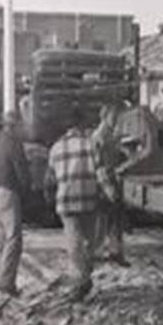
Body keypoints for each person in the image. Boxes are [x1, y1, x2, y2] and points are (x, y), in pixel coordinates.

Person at [45, 109, 101, 300]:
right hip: (88, 199)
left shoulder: (55, 148)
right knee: (88, 241)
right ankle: (85, 277)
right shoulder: (91, 144)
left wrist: (50, 198)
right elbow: (101, 172)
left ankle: (81, 279)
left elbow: (49, 180)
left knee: (74, 242)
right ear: (82, 125)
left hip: (66, 201)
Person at [0, 111, 31, 297]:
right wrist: (28, 192)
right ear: (14, 125)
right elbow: (21, 170)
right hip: (8, 191)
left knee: (1, 239)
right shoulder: (13, 143)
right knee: (13, 238)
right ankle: (5, 282)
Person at [91, 104, 127, 266]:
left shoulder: (112, 135)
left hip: (113, 179)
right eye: (113, 116)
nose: (116, 119)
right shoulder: (99, 136)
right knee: (101, 218)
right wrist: (108, 188)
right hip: (103, 182)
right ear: (105, 116)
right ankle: (97, 252)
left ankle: (115, 251)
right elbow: (98, 165)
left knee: (116, 219)